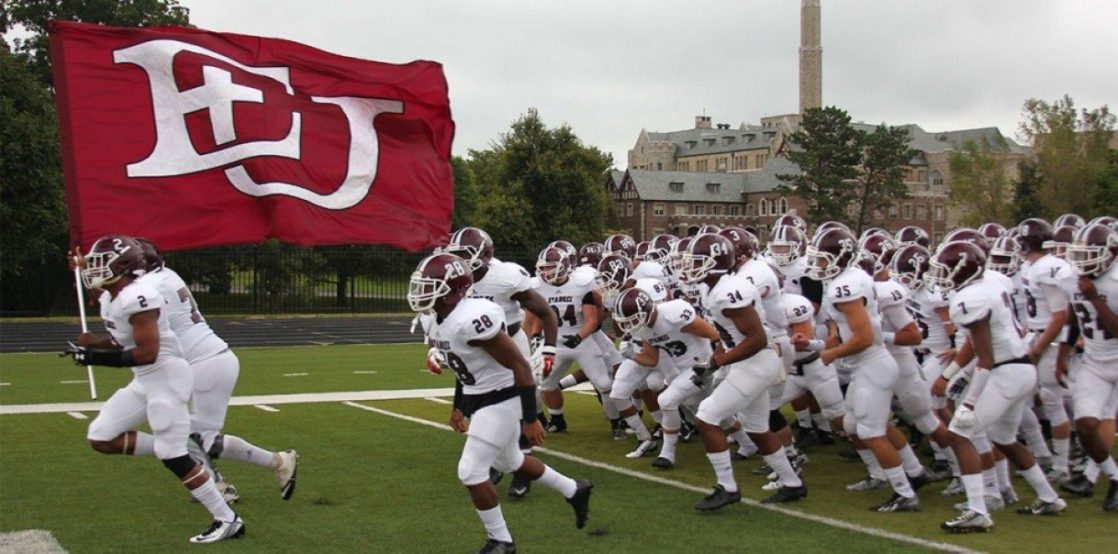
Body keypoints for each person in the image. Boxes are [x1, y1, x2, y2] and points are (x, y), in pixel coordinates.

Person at [407, 252, 593, 554]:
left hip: (504, 396)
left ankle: (501, 541)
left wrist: (530, 418)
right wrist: (459, 405)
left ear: (453, 289)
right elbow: (465, 367)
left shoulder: (473, 317)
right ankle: (574, 490)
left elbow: (519, 366)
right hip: (480, 395)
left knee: (470, 471)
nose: (421, 292)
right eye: (420, 285)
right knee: (510, 461)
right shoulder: (434, 318)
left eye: (429, 286)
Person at [64, 235, 244, 543]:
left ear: (121, 267)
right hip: (145, 380)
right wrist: (94, 342)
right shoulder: (113, 296)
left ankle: (228, 520)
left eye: (97, 264)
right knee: (101, 437)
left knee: (171, 453)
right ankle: (180, 451)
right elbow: (121, 338)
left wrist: (94, 357)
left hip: (167, 378)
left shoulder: (141, 296)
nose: (91, 270)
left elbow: (147, 351)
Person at [134, 239, 299, 504]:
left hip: (205, 363)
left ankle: (270, 465)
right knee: (188, 434)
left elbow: (142, 333)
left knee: (192, 436)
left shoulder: (151, 289)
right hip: (203, 361)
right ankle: (238, 475)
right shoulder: (162, 276)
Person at [926, 242, 1066, 532]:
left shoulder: (970, 299)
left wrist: (969, 402)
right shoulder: (991, 281)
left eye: (945, 269)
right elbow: (975, 344)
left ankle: (978, 509)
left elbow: (985, 357)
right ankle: (1048, 496)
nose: (940, 275)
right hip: (1022, 367)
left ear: (962, 269)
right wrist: (951, 375)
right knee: (1004, 438)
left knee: (959, 434)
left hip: (1005, 372)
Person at [682, 233, 807, 509]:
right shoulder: (712, 288)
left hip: (757, 360)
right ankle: (793, 483)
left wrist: (719, 362)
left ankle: (727, 487)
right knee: (757, 428)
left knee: (706, 417)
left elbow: (756, 339)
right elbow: (725, 335)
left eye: (696, 261)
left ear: (715, 262)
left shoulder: (730, 290)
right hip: (749, 360)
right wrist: (715, 359)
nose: (689, 267)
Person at [804, 226, 919, 512]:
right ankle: (915, 472)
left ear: (838, 257)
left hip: (871, 364)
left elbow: (863, 338)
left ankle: (905, 493)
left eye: (821, 258)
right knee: (855, 426)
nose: (816, 264)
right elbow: (844, 332)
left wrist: (831, 354)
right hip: (866, 365)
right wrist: (825, 344)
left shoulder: (846, 286)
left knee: (870, 432)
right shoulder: (848, 278)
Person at [442, 227, 560, 498]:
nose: (459, 261)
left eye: (465, 255)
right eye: (456, 254)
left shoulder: (504, 276)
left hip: (510, 340)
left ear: (485, 255)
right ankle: (496, 461)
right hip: (476, 345)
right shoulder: (456, 278)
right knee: (481, 404)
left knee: (518, 407)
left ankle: (522, 475)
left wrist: (550, 348)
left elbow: (545, 311)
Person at [1017, 218, 1077, 483]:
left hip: (1051, 339)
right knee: (1019, 395)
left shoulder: (1049, 268)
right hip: (1036, 334)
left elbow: (1059, 315)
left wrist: (1039, 347)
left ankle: (1062, 464)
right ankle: (1042, 454)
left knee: (1053, 401)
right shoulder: (1033, 267)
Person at [1065, 223, 1118, 510]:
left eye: (1091, 254)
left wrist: (1095, 299)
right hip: (1095, 361)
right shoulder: (1072, 278)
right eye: (1081, 254)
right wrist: (1063, 351)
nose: (1084, 261)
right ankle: (1114, 477)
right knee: (1085, 424)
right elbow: (1072, 317)